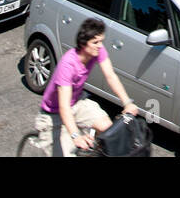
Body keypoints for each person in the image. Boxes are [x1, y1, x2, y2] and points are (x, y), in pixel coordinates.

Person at [36, 19, 140, 156]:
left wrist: (127, 102)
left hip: (78, 103)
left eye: (101, 41)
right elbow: (64, 107)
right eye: (95, 42)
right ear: (83, 44)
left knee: (109, 130)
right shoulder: (68, 65)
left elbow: (110, 76)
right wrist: (75, 136)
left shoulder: (98, 51)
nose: (100, 46)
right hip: (53, 115)